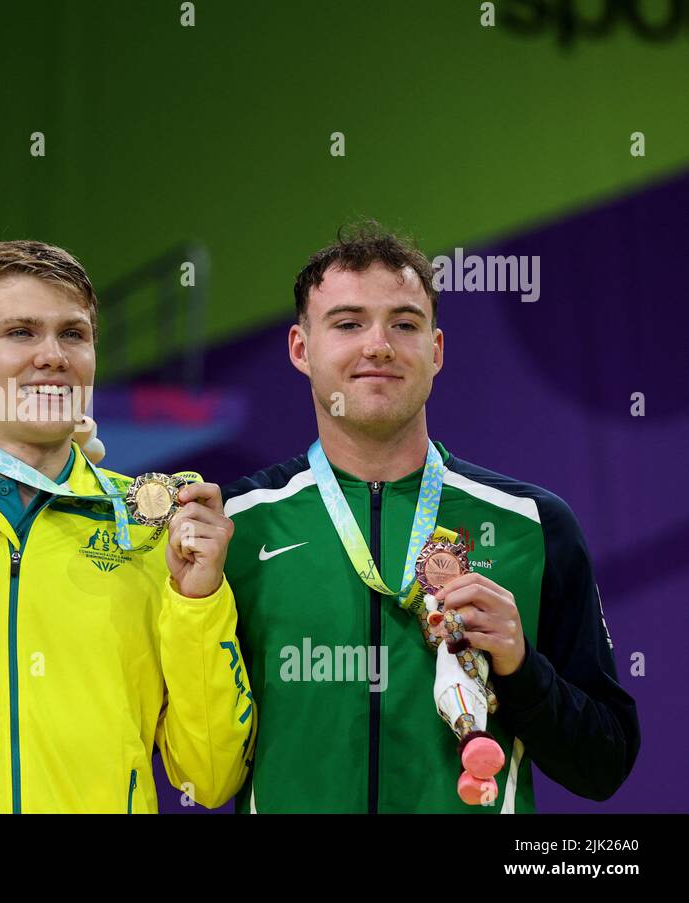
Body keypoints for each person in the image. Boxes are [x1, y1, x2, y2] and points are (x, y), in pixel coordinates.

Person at [220, 222, 639, 813]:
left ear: (436, 351)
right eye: (347, 323)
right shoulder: (238, 525)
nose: (379, 346)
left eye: (405, 324)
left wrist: (521, 669)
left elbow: (605, 762)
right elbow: (200, 758)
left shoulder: (532, 524)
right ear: (300, 349)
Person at [0, 240, 254, 813]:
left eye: (73, 334)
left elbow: (210, 774)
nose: (53, 355)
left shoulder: (153, 531)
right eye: (21, 333)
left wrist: (197, 601)